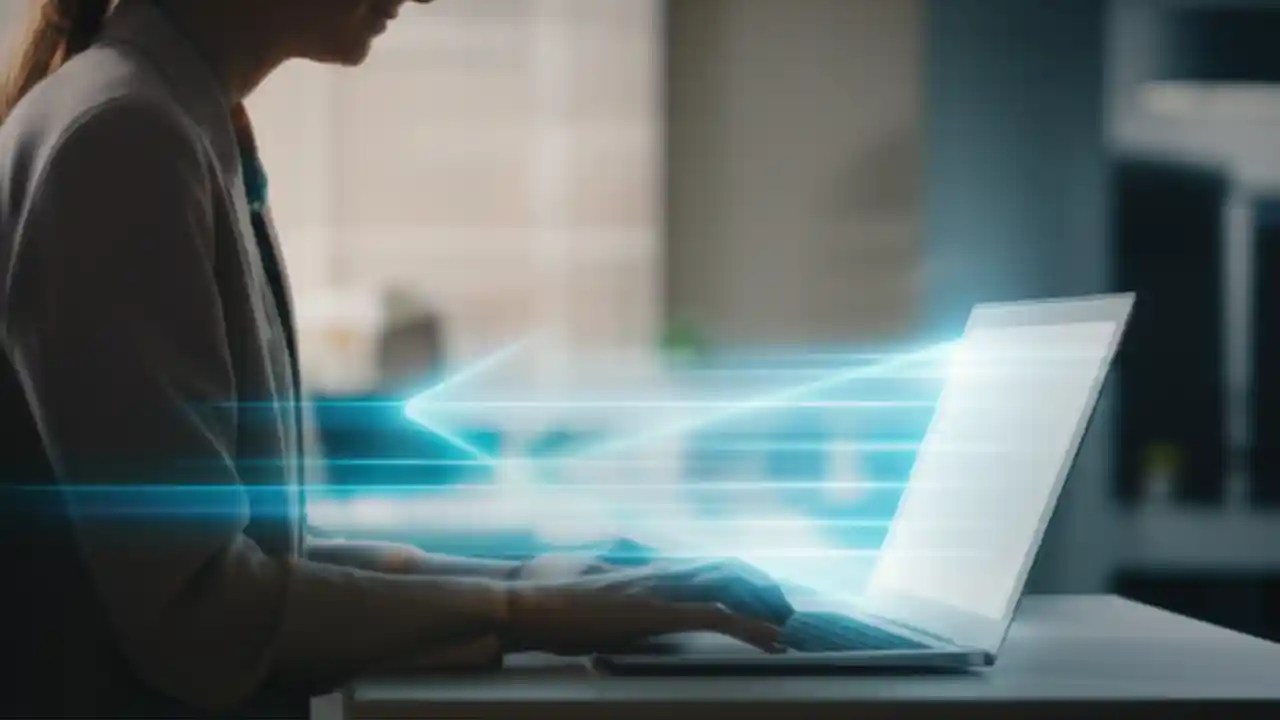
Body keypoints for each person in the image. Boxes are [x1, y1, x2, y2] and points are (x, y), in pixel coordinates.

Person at [0, 1, 793, 717]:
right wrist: (525, 613)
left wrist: (526, 583)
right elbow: (200, 613)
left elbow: (256, 562)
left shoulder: (174, 116)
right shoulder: (123, 136)